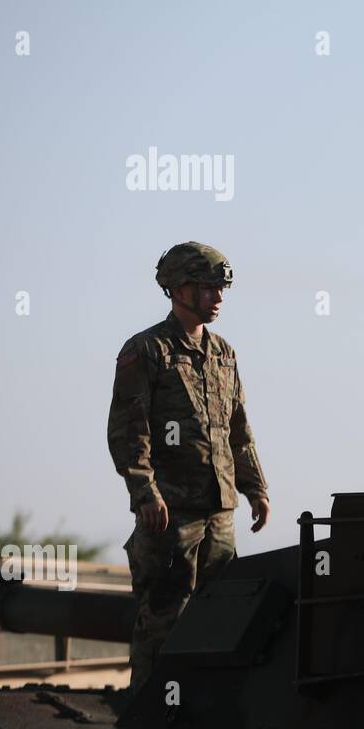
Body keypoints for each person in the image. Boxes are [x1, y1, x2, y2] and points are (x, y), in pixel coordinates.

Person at [107, 242, 270, 690]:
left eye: (221, 288)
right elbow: (127, 430)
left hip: (220, 513)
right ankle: (148, 717)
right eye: (207, 287)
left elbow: (237, 428)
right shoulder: (147, 350)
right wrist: (145, 493)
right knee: (164, 619)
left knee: (218, 619)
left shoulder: (224, 353)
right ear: (178, 288)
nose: (217, 297)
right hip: (170, 515)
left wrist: (256, 488)